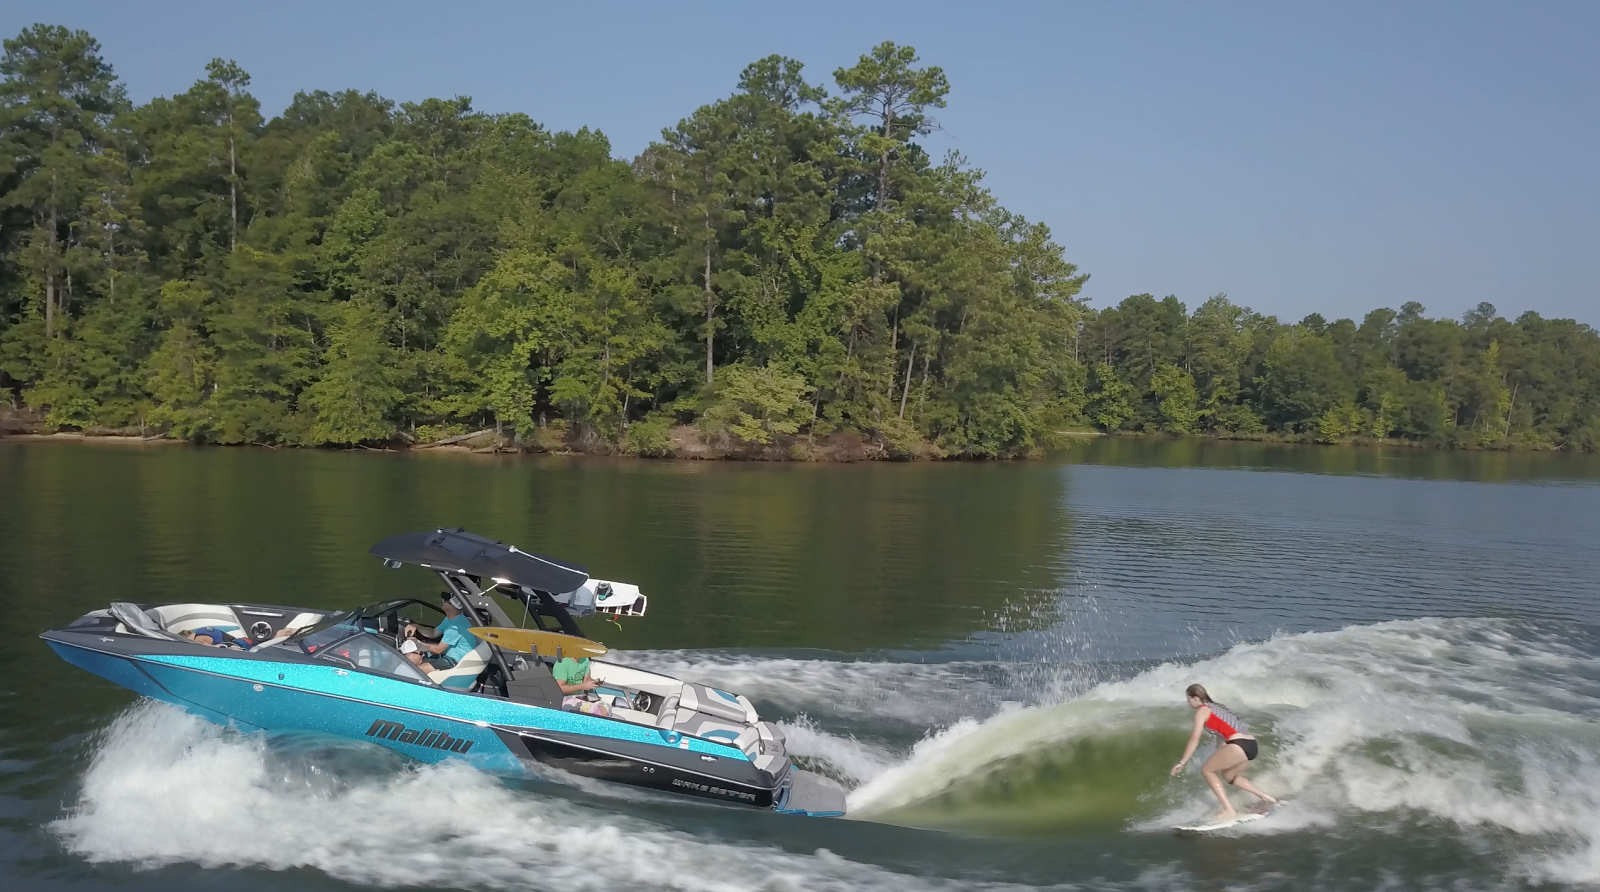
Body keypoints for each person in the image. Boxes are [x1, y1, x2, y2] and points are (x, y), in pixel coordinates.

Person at [1170, 683, 1278, 822]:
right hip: (1250, 745)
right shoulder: (1219, 708)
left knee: (1207, 771)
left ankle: (1229, 810)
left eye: (1188, 698)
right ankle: (1266, 797)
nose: (1188, 702)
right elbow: (1222, 735)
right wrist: (1221, 752)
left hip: (1238, 744)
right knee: (1228, 776)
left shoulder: (1203, 710)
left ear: (1195, 697)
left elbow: (1194, 738)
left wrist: (1182, 762)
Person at [401, 597, 479, 672]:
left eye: (446, 601)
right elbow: (433, 633)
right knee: (420, 657)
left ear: (451, 606)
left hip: (456, 660)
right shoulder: (450, 619)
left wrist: (417, 643)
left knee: (418, 670)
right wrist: (416, 626)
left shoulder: (456, 626)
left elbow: (438, 650)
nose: (443, 601)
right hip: (449, 654)